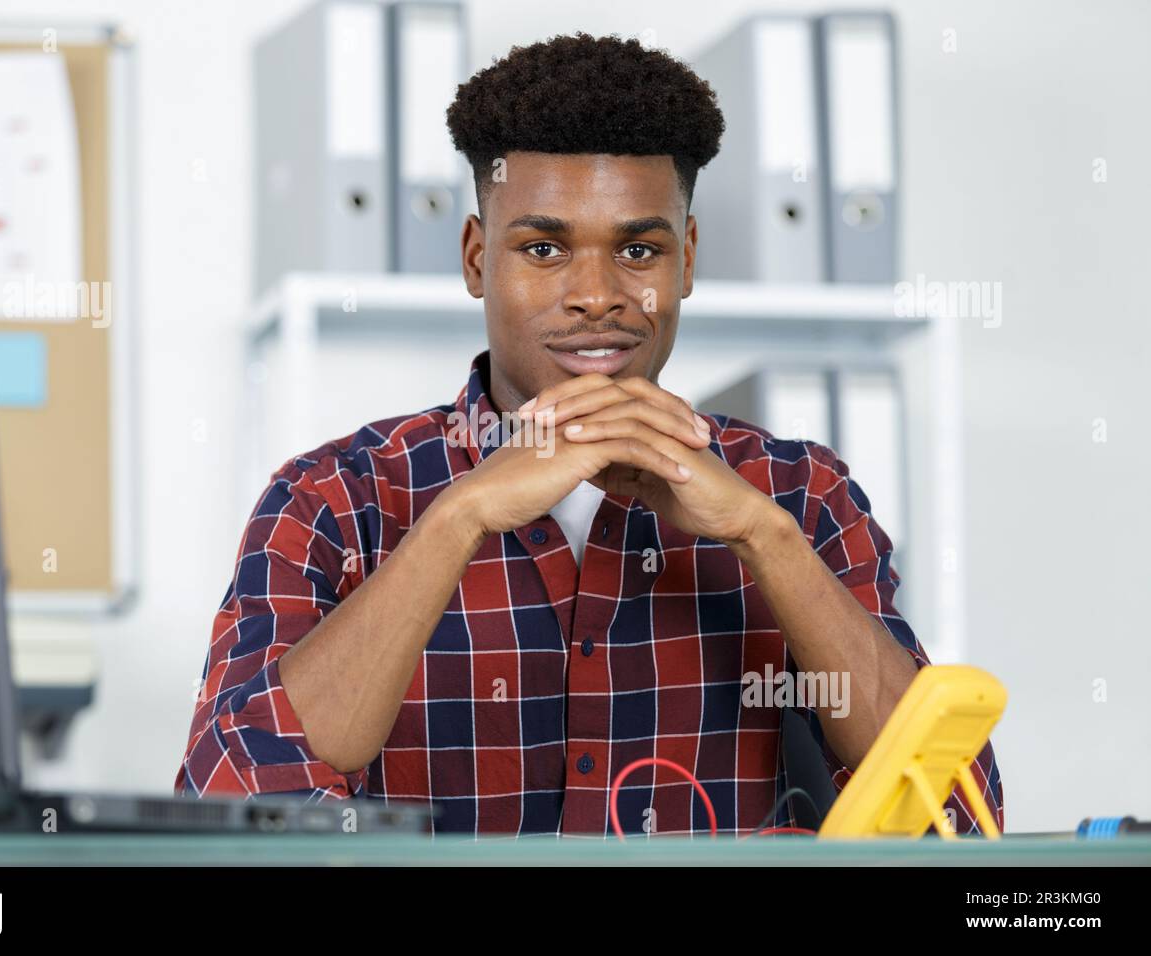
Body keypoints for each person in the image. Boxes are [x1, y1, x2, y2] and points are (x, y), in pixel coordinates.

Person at [176, 32, 1003, 836]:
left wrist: (761, 535)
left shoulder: (799, 496)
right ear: (475, 259)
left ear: (686, 261)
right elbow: (235, 803)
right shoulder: (333, 499)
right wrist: (459, 518)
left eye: (638, 250)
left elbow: (958, 824)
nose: (596, 295)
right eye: (543, 248)